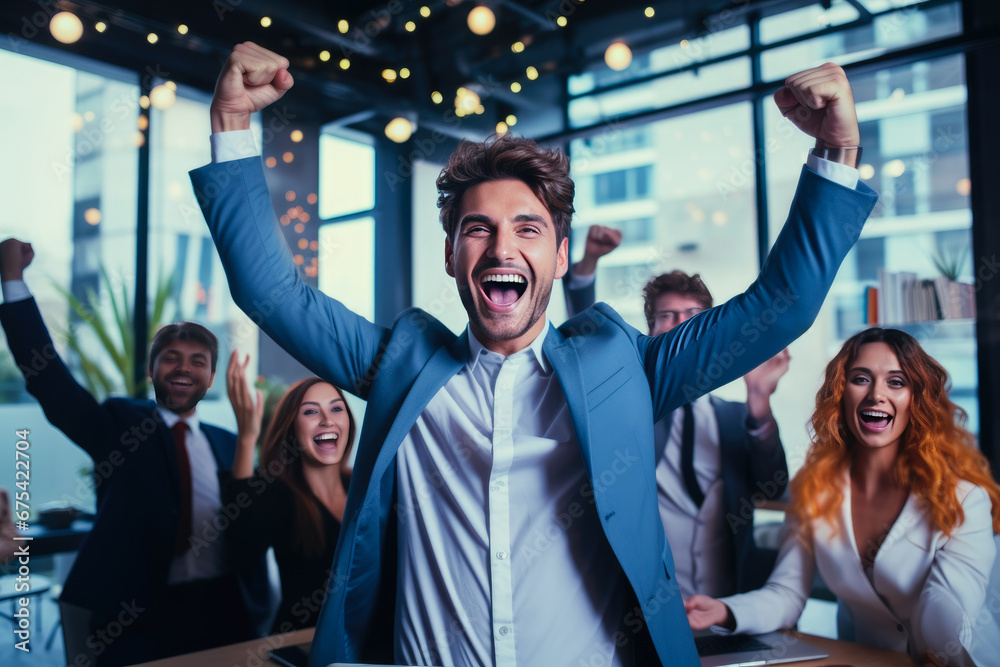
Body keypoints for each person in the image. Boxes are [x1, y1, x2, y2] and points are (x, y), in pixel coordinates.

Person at [191, 41, 877, 667]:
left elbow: (778, 306)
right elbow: (272, 294)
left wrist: (837, 152)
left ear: (555, 256)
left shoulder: (625, 367)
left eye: (528, 228)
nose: (502, 248)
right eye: (477, 229)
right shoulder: (400, 362)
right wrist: (230, 124)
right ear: (451, 254)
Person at [0, 238, 269, 664]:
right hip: (137, 617)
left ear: (212, 376)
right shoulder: (120, 424)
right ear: (151, 370)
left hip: (227, 611)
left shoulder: (230, 444)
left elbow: (252, 530)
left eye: (198, 361)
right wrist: (12, 281)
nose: (184, 368)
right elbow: (50, 382)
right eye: (171, 358)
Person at [685, 328, 1000, 666]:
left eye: (896, 382)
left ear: (916, 399)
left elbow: (943, 602)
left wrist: (940, 648)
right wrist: (723, 610)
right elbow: (787, 593)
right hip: (861, 658)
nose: (876, 395)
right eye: (861, 379)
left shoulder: (964, 499)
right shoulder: (815, 487)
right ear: (841, 392)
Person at [647, 270, 793, 597]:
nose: (682, 325)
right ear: (650, 331)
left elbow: (773, 485)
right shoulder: (637, 413)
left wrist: (758, 397)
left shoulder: (736, 416)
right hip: (650, 610)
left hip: (726, 603)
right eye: (667, 316)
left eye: (694, 317)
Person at [222, 352, 355, 632]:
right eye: (310, 411)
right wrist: (246, 438)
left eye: (336, 408)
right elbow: (242, 552)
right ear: (292, 431)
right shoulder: (279, 495)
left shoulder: (367, 487)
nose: (327, 420)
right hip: (302, 646)